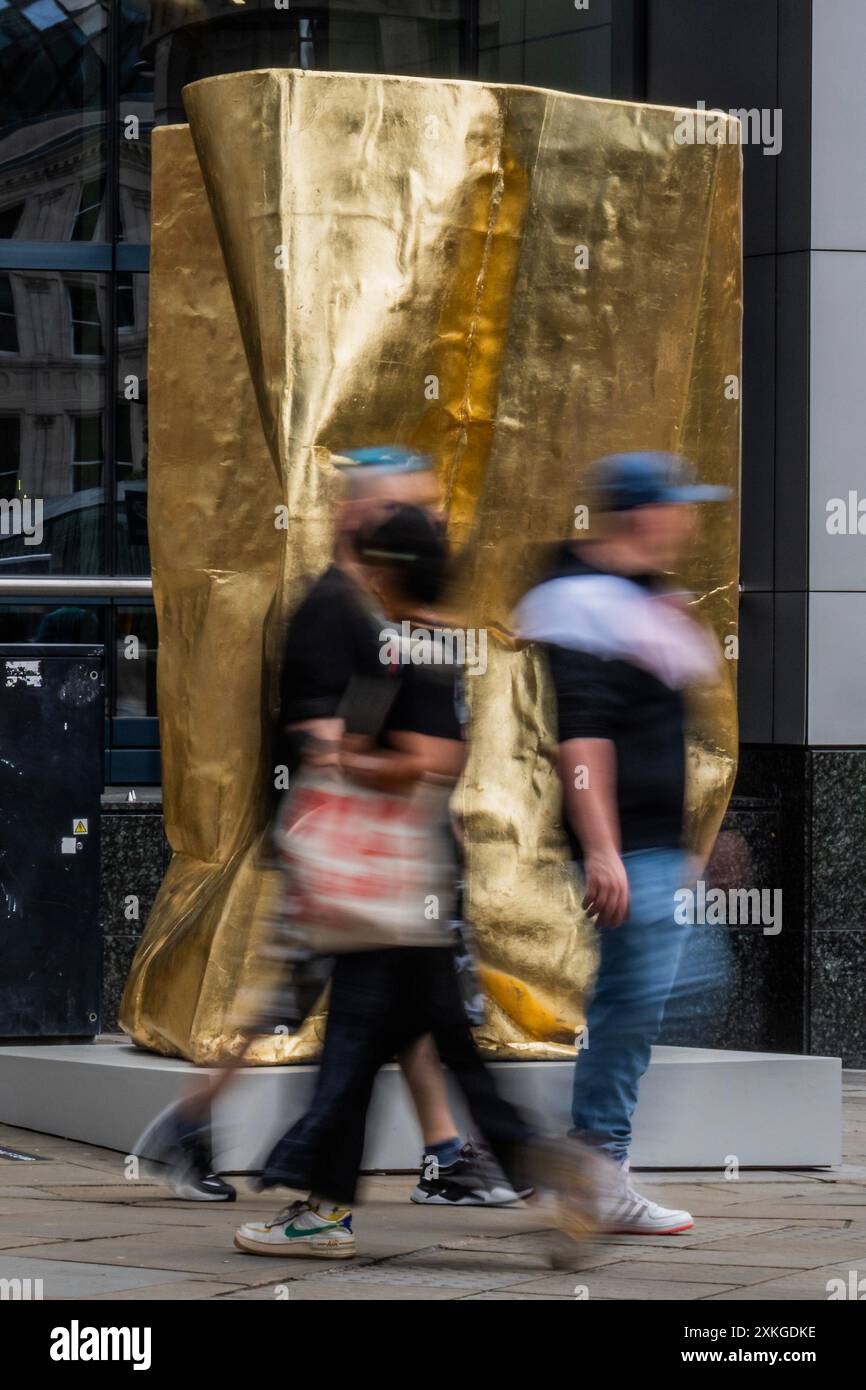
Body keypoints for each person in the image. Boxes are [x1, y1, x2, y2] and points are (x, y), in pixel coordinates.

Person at [134, 448, 520, 1207]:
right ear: (365, 517)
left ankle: (439, 1154)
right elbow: (320, 741)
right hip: (346, 853)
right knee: (311, 999)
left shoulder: (370, 609)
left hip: (369, 854)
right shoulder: (333, 612)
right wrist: (388, 772)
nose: (430, 525)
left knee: (378, 1002)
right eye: (413, 509)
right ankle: (205, 1132)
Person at [234, 501, 591, 1259]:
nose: (361, 570)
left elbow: (430, 761)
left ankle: (326, 1213)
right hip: (413, 894)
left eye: (371, 559)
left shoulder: (409, 647)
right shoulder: (427, 642)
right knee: (441, 1054)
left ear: (391, 570)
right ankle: (545, 1171)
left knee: (350, 1059)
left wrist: (346, 762)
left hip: (388, 896)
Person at [515, 451, 728, 1236]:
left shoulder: (639, 601)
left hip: (652, 848)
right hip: (630, 851)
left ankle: (588, 1164)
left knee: (638, 1005)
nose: (690, 522)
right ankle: (591, 1165)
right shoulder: (585, 607)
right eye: (681, 507)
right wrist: (602, 849)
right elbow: (583, 741)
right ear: (646, 514)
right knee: (637, 1007)